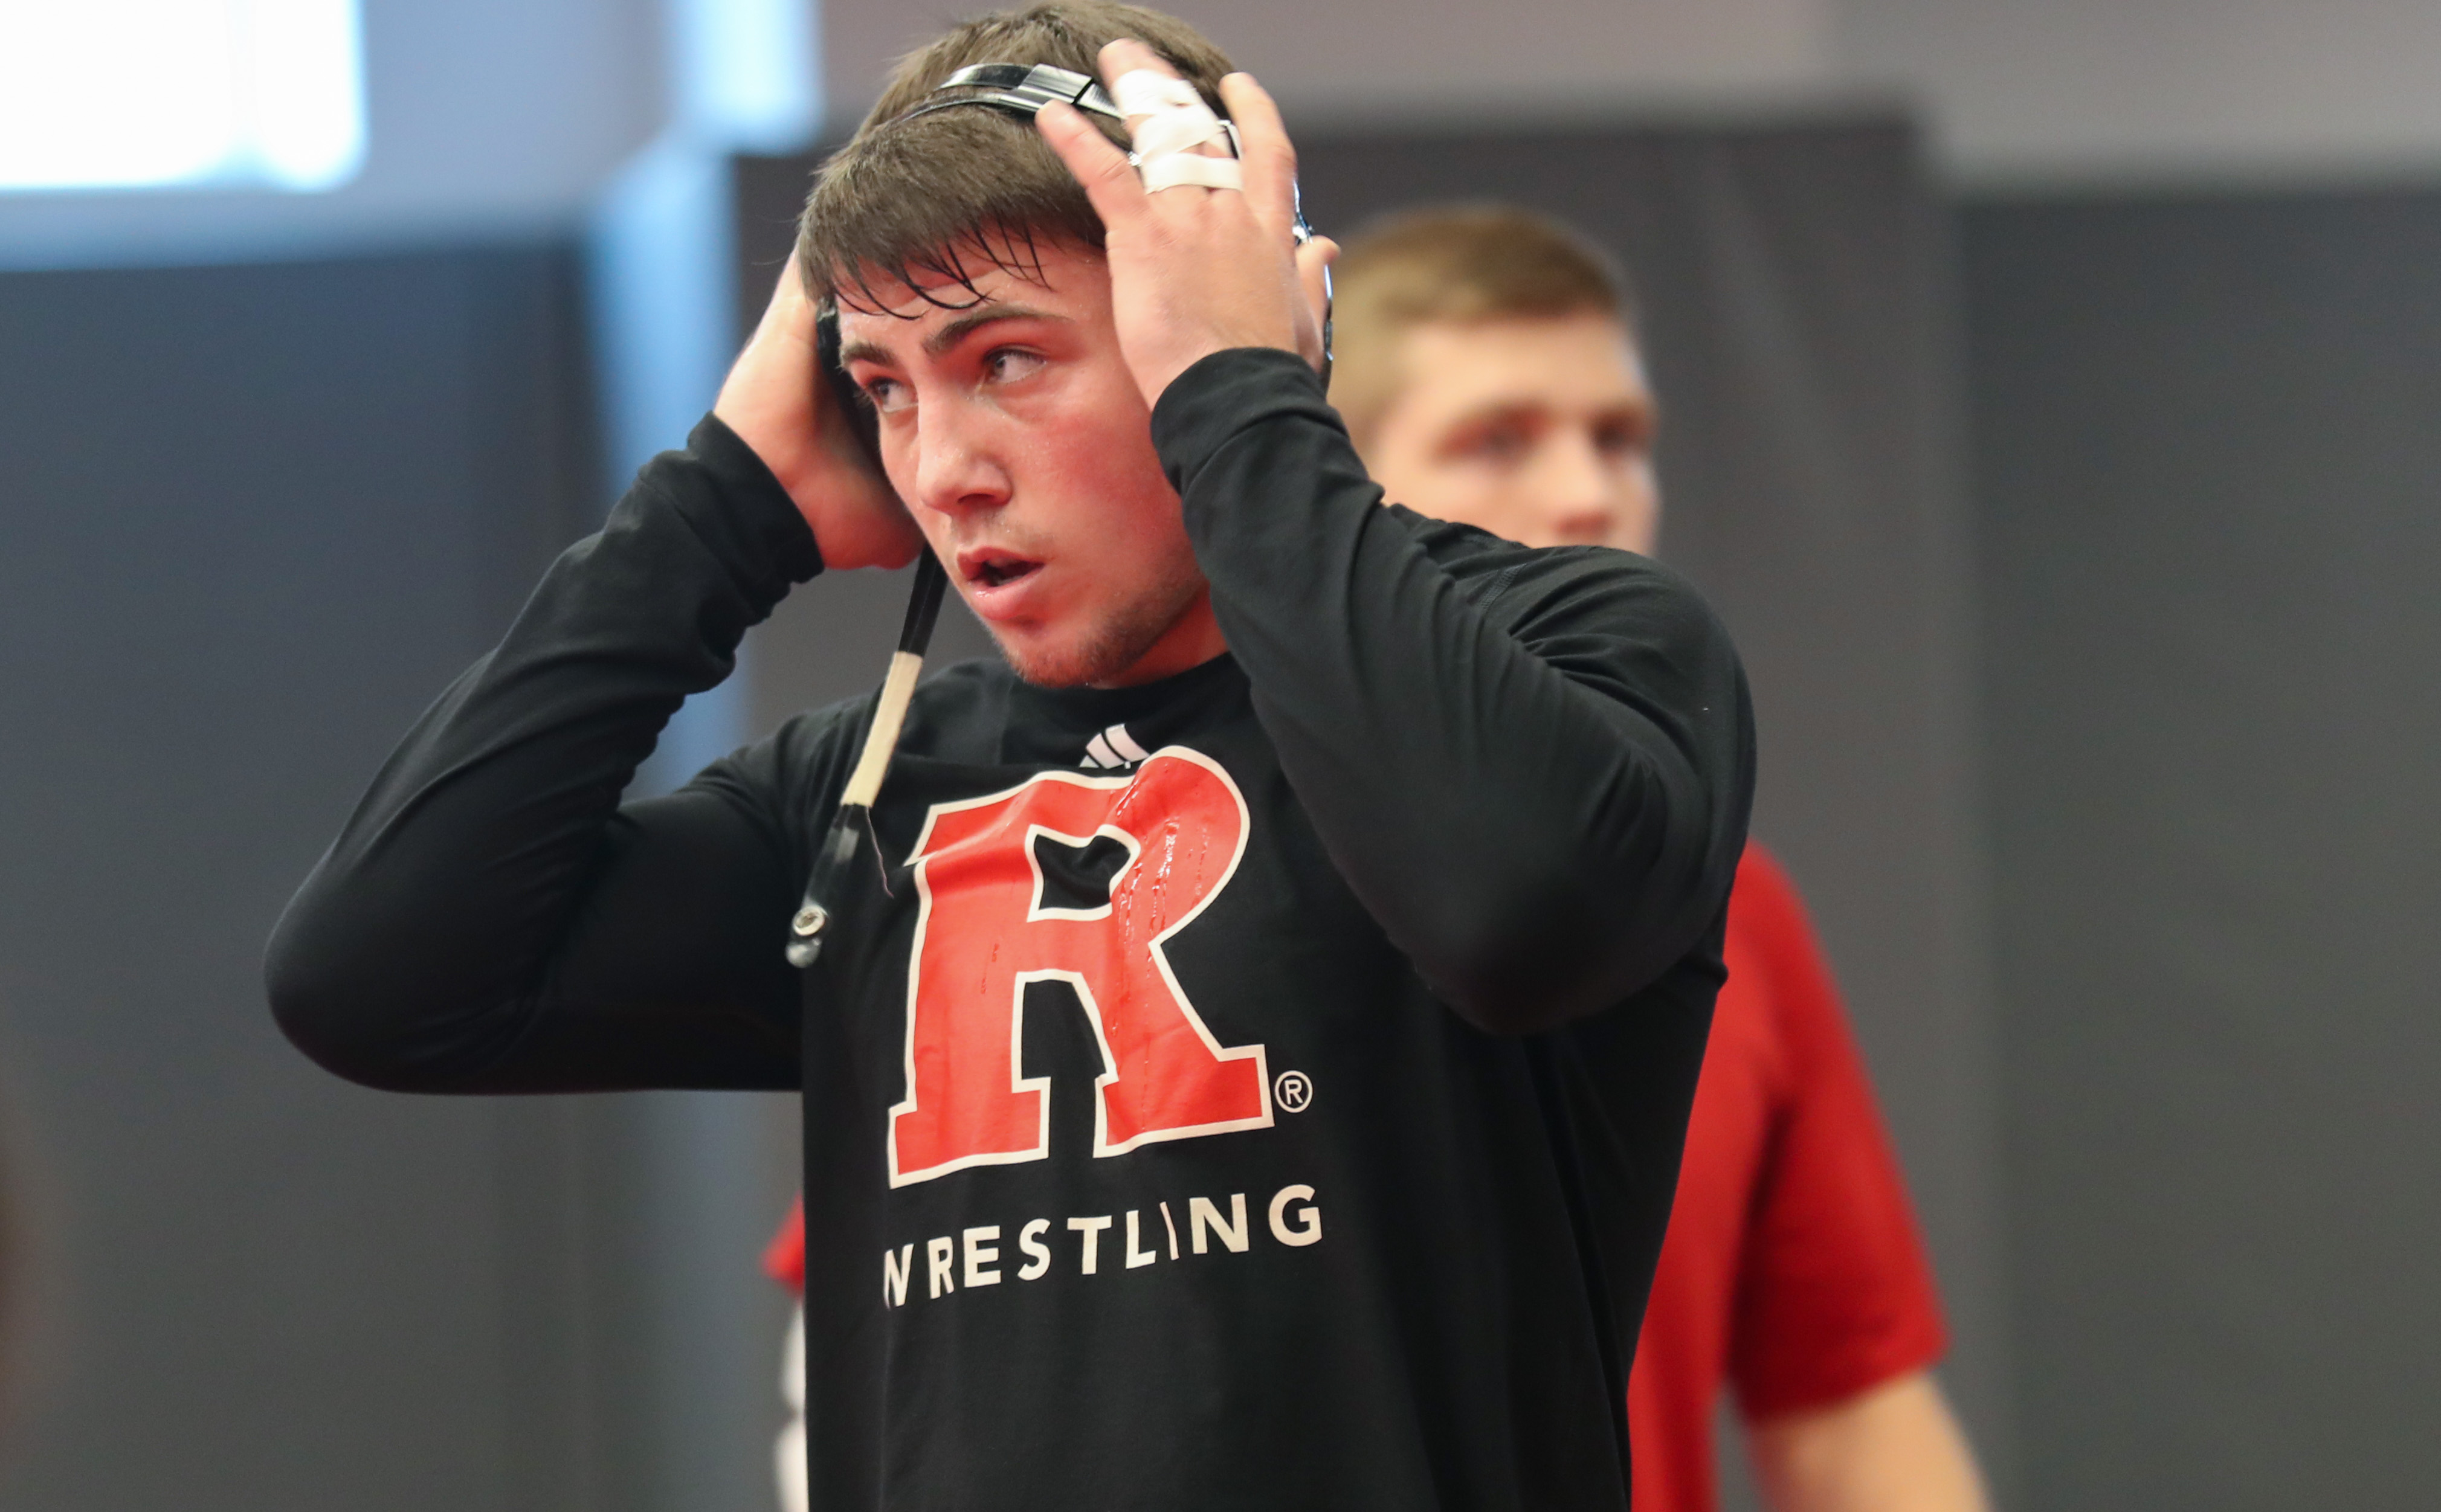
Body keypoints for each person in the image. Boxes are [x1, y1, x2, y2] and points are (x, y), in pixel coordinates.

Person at [265, 7, 1754, 1508]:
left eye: (1009, 360)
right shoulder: (867, 796)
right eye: (888, 387)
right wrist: (717, 511)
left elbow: (1511, 910)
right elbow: (380, 981)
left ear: (1241, 317)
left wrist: (1245, 397)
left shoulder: (1584, 648)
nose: (941, 467)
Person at [1333, 205, 1990, 1512]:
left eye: (1619, 439)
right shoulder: (1120, 867)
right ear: (1323, 500)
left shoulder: (1731, 905)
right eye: (1499, 437)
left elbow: (1849, 1410)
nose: (1587, 491)